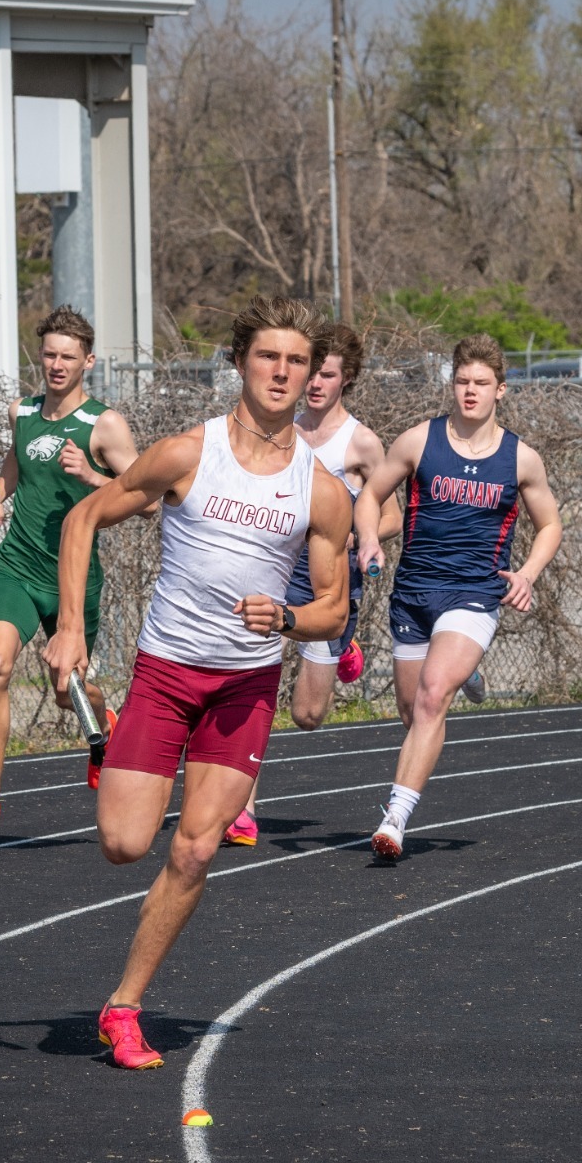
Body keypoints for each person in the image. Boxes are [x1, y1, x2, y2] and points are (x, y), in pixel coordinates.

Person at [44, 295, 353, 1069]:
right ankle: (111, 739)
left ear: (314, 374)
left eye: (297, 361)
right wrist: (73, 630)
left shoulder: (321, 491)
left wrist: (285, 619)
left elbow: (334, 609)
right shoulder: (188, 453)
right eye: (267, 357)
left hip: (243, 688)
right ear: (241, 363)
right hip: (166, 675)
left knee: (194, 851)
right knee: (123, 843)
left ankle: (123, 1007)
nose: (282, 372)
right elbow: (82, 520)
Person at [354, 334, 564, 863]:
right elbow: (371, 495)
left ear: (502, 390)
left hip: (474, 592)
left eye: (482, 383)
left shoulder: (521, 459)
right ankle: (465, 671)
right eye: (462, 382)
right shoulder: (419, 441)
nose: (470, 392)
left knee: (430, 697)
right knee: (413, 710)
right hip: (414, 594)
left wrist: (527, 574)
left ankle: (395, 820)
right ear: (452, 384)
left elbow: (550, 525)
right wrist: (370, 539)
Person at [0, 307, 143, 828]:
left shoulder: (104, 425)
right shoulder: (22, 412)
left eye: (68, 356)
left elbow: (148, 500)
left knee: (67, 693)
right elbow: (8, 472)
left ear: (88, 360)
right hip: (16, 565)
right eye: (49, 355)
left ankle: (105, 716)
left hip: (73, 577)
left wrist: (91, 476)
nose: (57, 365)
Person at [224, 322, 399, 847]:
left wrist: (352, 535)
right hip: (277, 569)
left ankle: (345, 642)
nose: (316, 383)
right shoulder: (284, 431)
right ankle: (241, 810)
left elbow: (390, 516)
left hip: (329, 576)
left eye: (328, 374)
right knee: (252, 681)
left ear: (346, 380)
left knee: (306, 715)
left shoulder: (363, 442)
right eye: (312, 373)